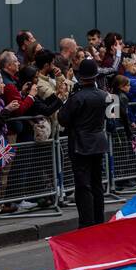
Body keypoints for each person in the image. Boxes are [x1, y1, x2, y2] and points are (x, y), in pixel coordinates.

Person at [57, 58, 109, 228]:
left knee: (83, 185)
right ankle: (99, 220)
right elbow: (113, 117)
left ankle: (87, 223)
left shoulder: (77, 98)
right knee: (96, 183)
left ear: (80, 77)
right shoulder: (105, 95)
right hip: (99, 142)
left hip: (81, 144)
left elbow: (63, 119)